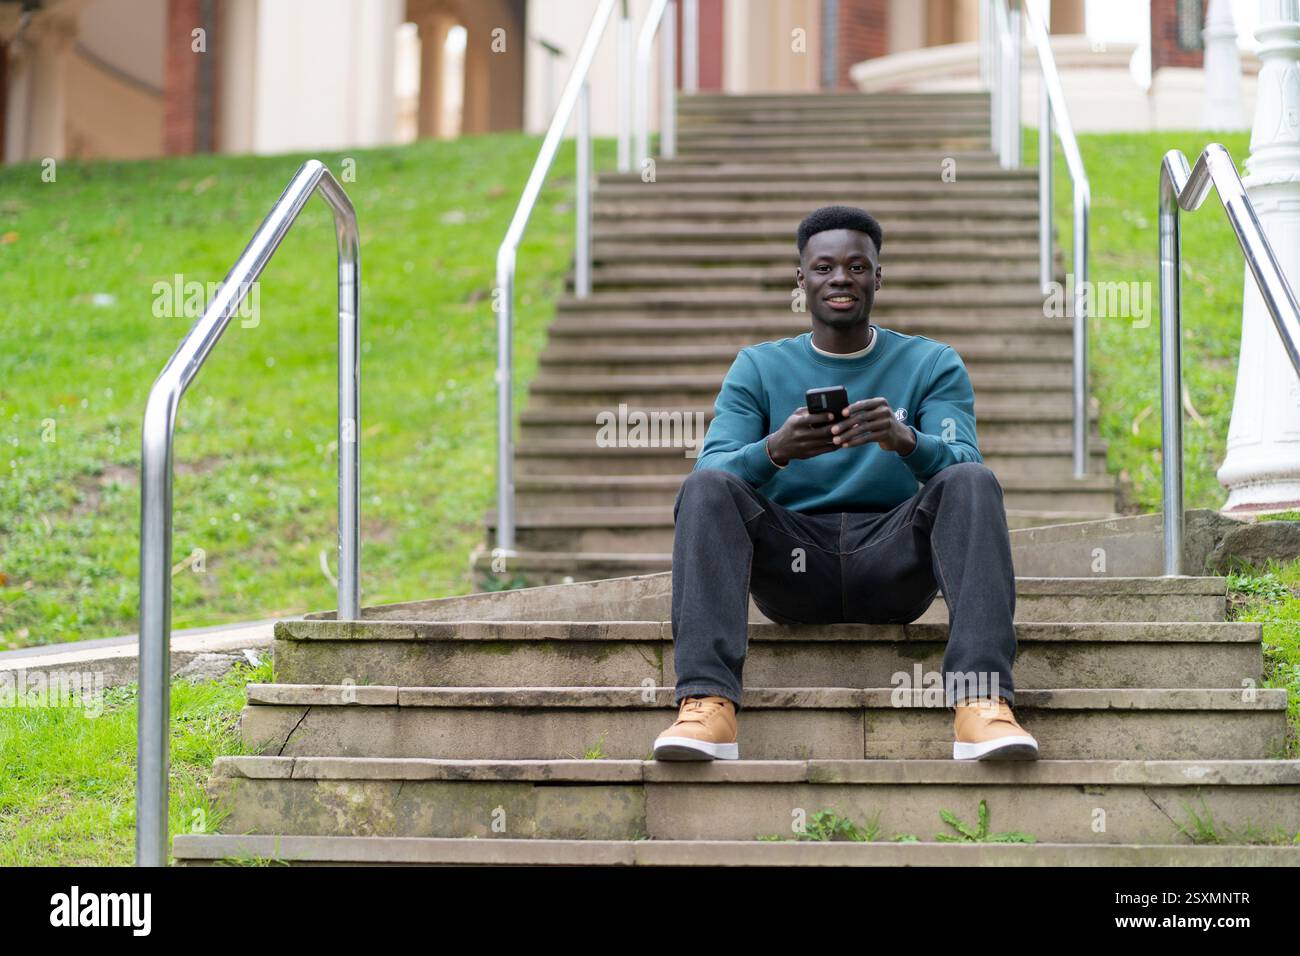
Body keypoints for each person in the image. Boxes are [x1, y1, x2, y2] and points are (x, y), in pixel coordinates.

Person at [652, 205, 1039, 762]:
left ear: (877, 277)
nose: (840, 278)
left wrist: (906, 440)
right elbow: (711, 471)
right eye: (825, 267)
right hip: (792, 566)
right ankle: (707, 704)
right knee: (706, 490)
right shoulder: (758, 367)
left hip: (893, 563)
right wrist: (775, 451)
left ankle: (982, 704)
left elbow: (961, 459)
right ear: (802, 279)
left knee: (973, 481)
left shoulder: (931, 363)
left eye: (857, 267)